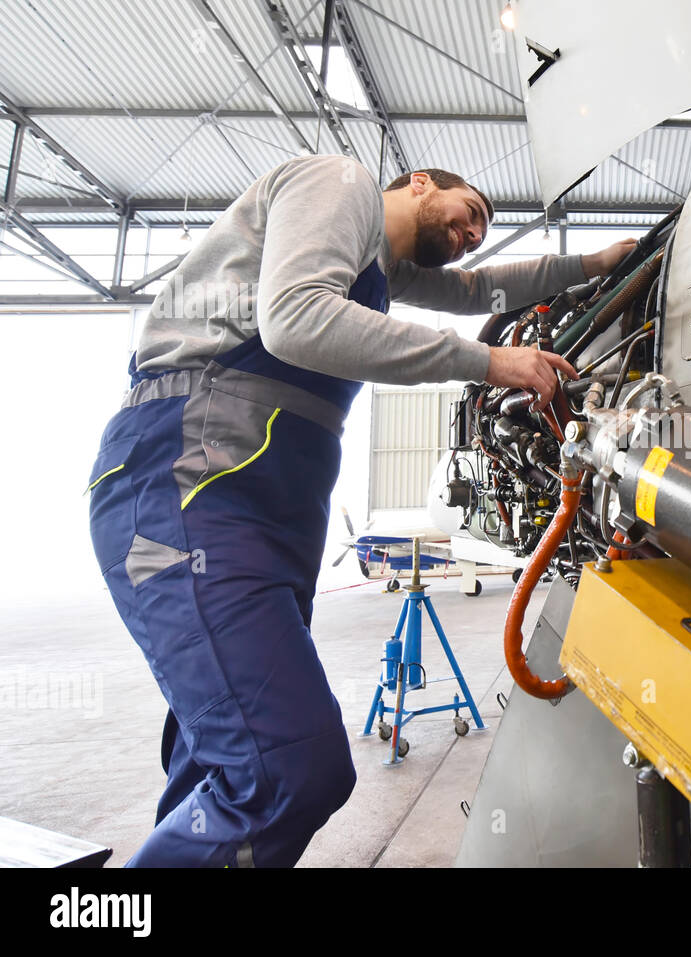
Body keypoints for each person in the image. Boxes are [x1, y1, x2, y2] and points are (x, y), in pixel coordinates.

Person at [86, 155, 633, 866]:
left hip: (262, 512)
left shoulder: (379, 270)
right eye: (470, 211)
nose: (473, 233)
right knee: (286, 768)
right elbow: (295, 319)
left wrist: (597, 262)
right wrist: (489, 361)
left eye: (481, 232)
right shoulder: (338, 182)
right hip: (189, 485)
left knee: (224, 761)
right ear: (420, 184)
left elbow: (481, 289)